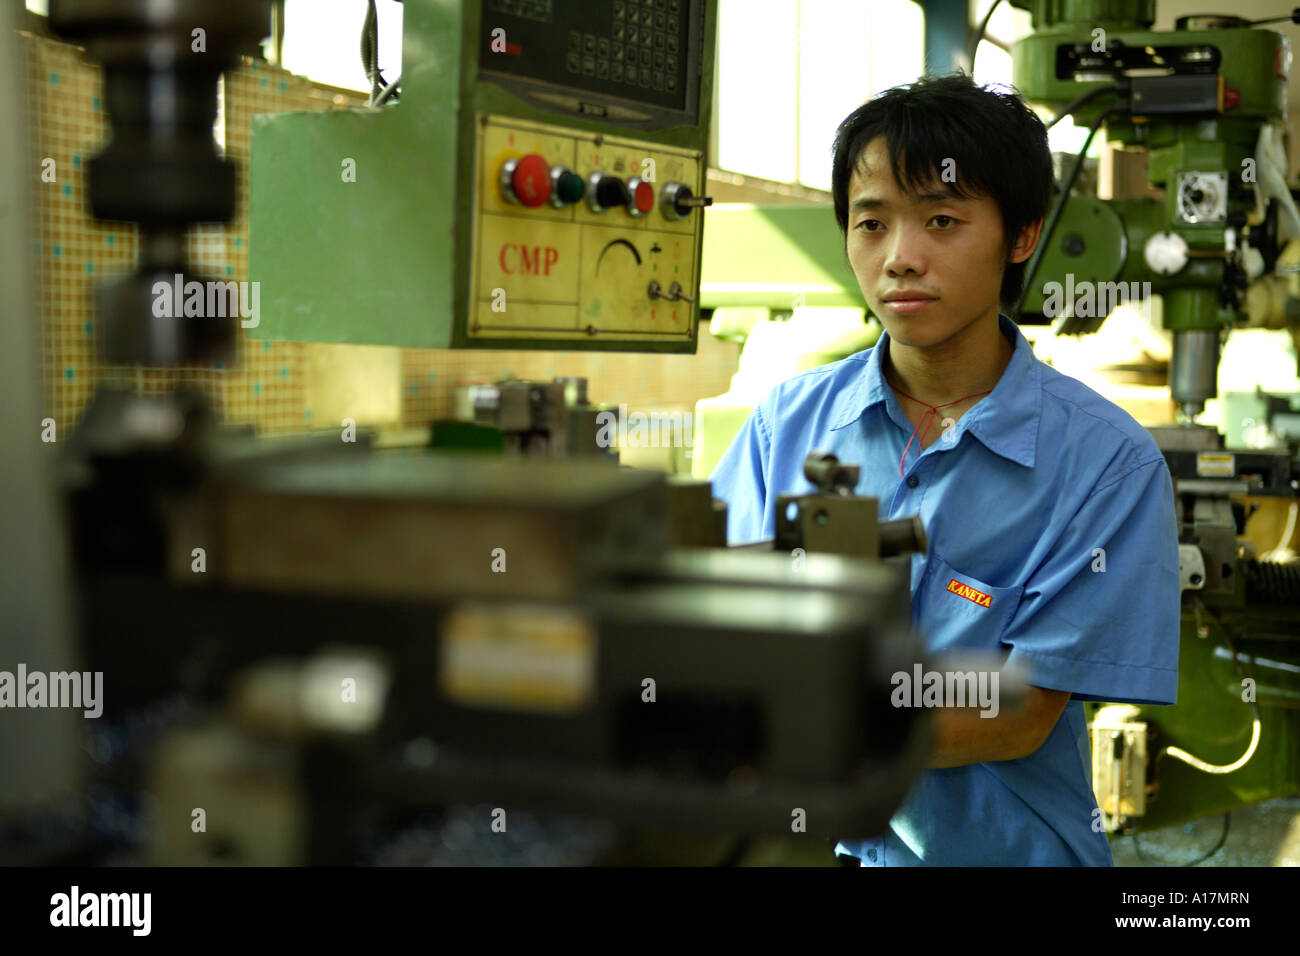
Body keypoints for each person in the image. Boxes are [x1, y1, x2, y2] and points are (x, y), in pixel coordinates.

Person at [708, 72, 1181, 865]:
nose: (900, 258)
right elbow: (712, 623)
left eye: (942, 220)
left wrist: (790, 734)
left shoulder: (1105, 463)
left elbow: (1020, 708)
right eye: (870, 223)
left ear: (1022, 235)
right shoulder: (783, 425)